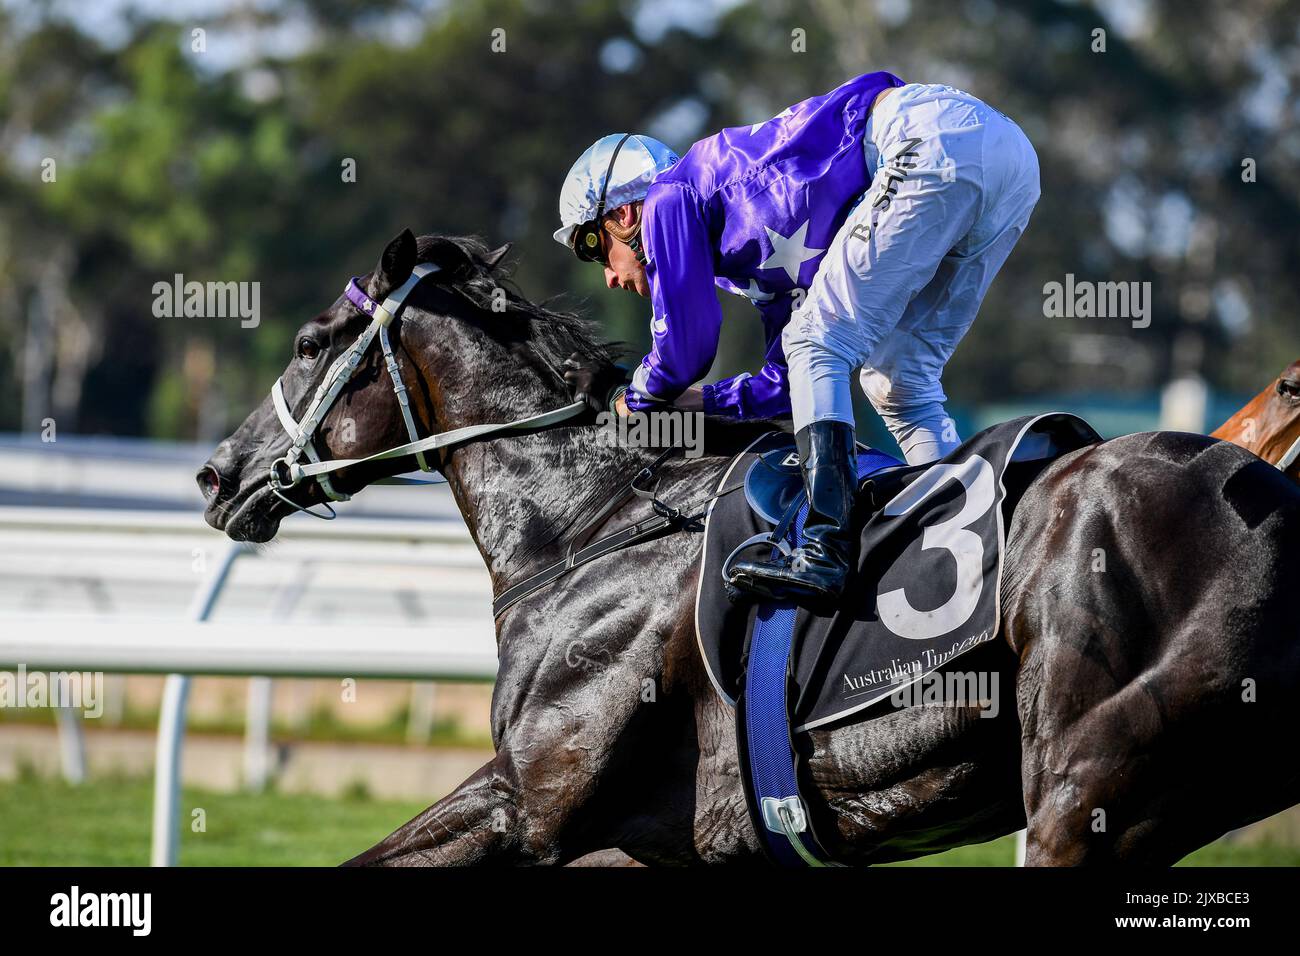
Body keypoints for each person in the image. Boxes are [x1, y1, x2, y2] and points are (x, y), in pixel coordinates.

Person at [554, 74, 1039, 608]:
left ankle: (825, 545)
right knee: (897, 378)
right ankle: (964, 527)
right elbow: (784, 387)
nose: (608, 276)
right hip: (1005, 157)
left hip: (927, 137)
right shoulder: (743, 252)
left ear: (623, 214)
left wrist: (634, 396)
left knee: (818, 341)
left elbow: (687, 349)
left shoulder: (669, 198)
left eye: (594, 248)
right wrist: (685, 403)